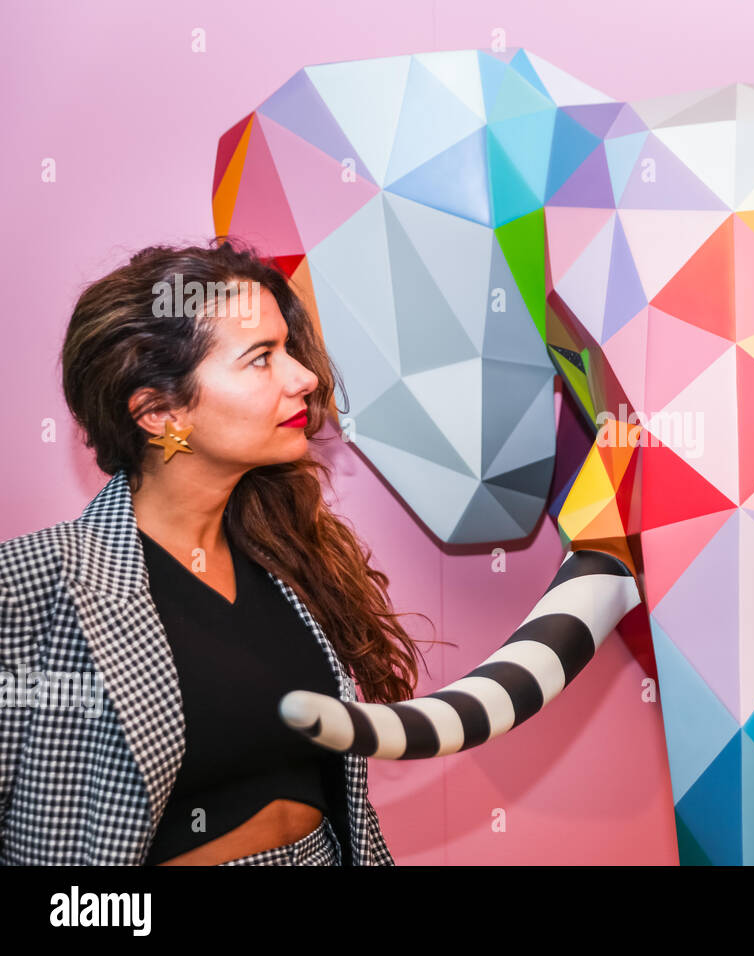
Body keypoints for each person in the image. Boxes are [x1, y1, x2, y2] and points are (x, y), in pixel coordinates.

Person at [0, 237, 433, 865]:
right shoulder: (34, 583)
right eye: (261, 358)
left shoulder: (285, 554)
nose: (305, 377)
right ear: (159, 412)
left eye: (288, 348)